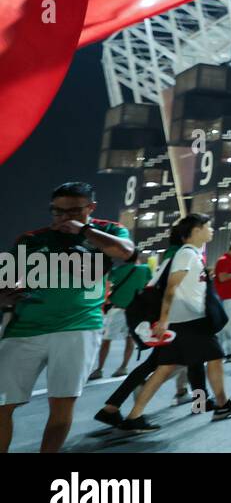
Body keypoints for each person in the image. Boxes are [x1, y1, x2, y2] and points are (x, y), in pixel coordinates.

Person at [0, 182, 135, 453]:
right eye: (57, 212)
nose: (63, 217)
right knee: (3, 403)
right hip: (24, 329)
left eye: (73, 211)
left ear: (90, 208)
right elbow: (5, 280)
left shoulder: (107, 231)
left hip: (78, 327)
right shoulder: (31, 239)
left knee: (61, 403)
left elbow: (126, 252)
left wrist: (84, 230)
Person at [107, 214, 231, 431]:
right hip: (189, 321)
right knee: (212, 358)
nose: (212, 230)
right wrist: (163, 320)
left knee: (170, 368)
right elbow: (170, 288)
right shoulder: (185, 255)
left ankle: (134, 416)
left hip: (186, 321)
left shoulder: (191, 254)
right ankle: (218, 405)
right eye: (208, 226)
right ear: (196, 231)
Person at [89, 255, 152, 379]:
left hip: (118, 310)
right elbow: (148, 285)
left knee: (106, 340)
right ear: (137, 258)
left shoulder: (118, 270)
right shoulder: (145, 269)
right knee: (130, 339)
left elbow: (108, 284)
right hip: (135, 311)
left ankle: (99, 369)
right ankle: (123, 367)